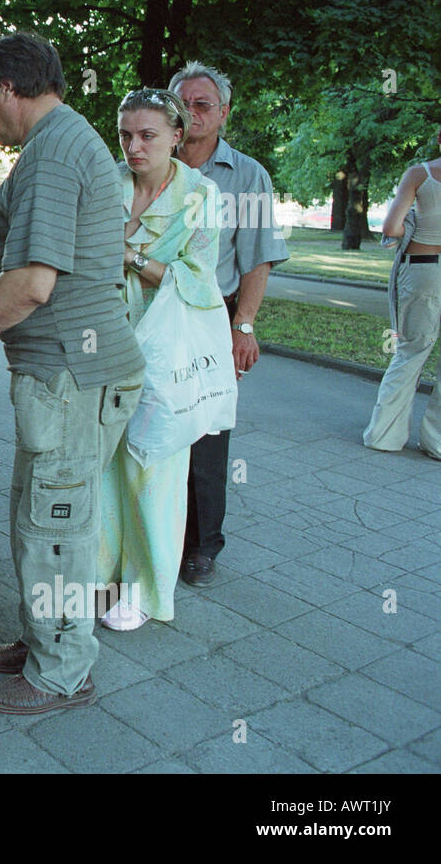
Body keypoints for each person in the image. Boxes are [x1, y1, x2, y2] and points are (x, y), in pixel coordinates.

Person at [0, 32, 144, 715]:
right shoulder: (64, 142)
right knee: (40, 519)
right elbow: (35, 278)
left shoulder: (51, 152)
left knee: (55, 529)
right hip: (68, 377)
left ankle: (62, 672)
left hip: (75, 379)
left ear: (9, 91)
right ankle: (45, 638)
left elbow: (34, 284)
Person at [97, 89, 223, 631]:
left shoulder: (200, 195)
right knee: (102, 464)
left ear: (178, 134)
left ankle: (147, 592)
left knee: (154, 469)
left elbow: (196, 279)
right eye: (126, 134)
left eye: (147, 134)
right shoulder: (107, 185)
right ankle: (101, 577)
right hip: (102, 344)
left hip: (164, 352)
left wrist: (128, 254)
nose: (133, 146)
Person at [169, 62, 289, 587]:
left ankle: (202, 546)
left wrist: (243, 326)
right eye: (184, 104)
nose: (192, 113)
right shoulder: (146, 156)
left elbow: (257, 258)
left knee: (207, 432)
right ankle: (155, 535)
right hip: (147, 315)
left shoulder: (247, 175)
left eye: (203, 104)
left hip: (210, 316)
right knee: (148, 427)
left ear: (224, 113)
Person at [363, 126, 441, 460]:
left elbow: (391, 228)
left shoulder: (419, 174)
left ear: (438, 138)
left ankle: (385, 435)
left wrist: (411, 221)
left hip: (423, 266)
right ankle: (437, 443)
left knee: (410, 351)